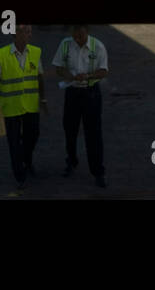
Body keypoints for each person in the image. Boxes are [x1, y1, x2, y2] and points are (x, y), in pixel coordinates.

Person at [0, 23, 48, 191]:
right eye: (25, 31)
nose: (29, 34)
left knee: (33, 135)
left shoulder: (35, 52)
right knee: (13, 142)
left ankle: (26, 159)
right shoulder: (2, 54)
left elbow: (40, 77)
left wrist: (43, 100)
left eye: (30, 31)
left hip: (30, 105)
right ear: (15, 35)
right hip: (11, 106)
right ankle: (20, 175)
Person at [53, 24, 108, 188]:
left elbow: (104, 71)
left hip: (91, 93)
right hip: (72, 92)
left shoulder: (97, 46)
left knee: (93, 133)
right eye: (75, 36)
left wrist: (88, 75)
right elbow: (58, 67)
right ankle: (71, 161)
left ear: (88, 32)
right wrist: (69, 75)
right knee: (70, 129)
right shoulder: (65, 45)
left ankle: (98, 171)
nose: (77, 39)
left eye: (81, 36)